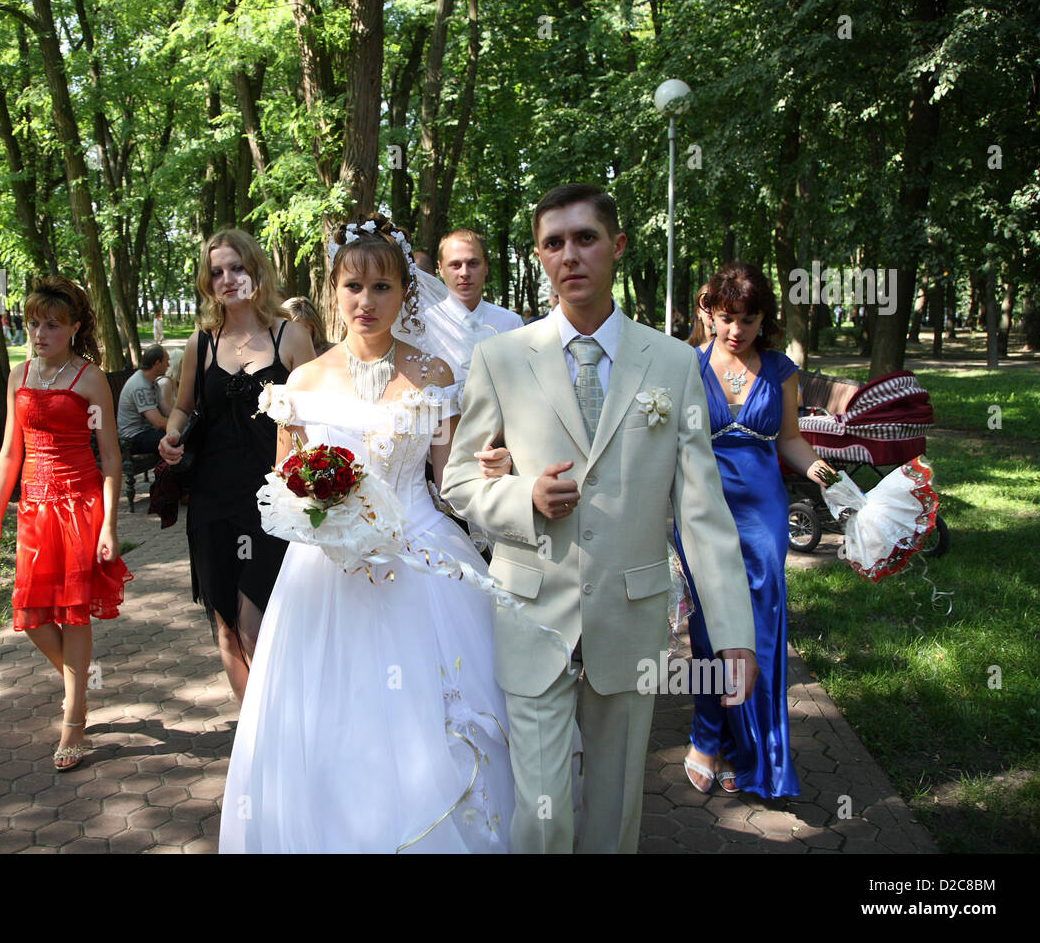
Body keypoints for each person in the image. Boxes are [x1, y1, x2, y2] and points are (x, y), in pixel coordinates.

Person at [441, 183, 756, 853]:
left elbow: (701, 511)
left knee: (614, 810)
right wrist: (521, 498)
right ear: (538, 257)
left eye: (585, 238)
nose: (570, 255)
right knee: (544, 814)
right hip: (531, 610)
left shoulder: (672, 362)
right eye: (554, 243)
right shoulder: (501, 358)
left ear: (615, 246)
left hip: (628, 613)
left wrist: (733, 632)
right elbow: (460, 480)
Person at [220, 214, 512, 853]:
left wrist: (495, 473)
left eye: (382, 287)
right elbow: (280, 481)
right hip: (325, 572)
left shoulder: (435, 375)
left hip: (422, 555)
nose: (367, 302)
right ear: (333, 290)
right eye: (353, 286)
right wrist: (317, 516)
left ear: (407, 292)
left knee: (445, 710)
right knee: (329, 717)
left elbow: (451, 478)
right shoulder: (300, 383)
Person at [678, 262, 834, 798]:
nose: (736, 330)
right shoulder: (686, 365)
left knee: (761, 626)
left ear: (763, 318)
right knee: (705, 626)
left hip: (763, 508)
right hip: (701, 504)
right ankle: (707, 735)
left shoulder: (780, 370)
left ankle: (756, 753)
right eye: (726, 318)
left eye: (748, 319)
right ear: (710, 313)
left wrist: (813, 466)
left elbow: (788, 438)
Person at [0, 277, 132, 771]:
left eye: (51, 324)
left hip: (80, 504)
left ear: (74, 328)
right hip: (34, 508)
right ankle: (79, 682)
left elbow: (110, 457)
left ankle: (75, 718)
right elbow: (9, 452)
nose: (40, 333)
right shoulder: (17, 375)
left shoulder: (90, 379)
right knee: (30, 613)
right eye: (33, 323)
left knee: (73, 612)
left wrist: (109, 524)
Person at [158, 229, 314, 703]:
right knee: (225, 622)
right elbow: (183, 407)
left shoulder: (289, 336)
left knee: (256, 621)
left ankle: (279, 729)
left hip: (270, 500)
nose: (228, 279)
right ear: (208, 282)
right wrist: (172, 433)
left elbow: (312, 422)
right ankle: (252, 745)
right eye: (217, 271)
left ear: (256, 270)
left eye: (237, 268)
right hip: (211, 499)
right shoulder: (200, 343)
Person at [417, 228, 523, 384]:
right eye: (455, 265)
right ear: (440, 269)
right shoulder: (425, 324)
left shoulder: (511, 323)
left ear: (486, 266)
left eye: (473, 263)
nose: (464, 273)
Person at [116, 345, 170, 455]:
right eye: (166, 361)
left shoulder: (151, 381)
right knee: (177, 439)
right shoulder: (140, 386)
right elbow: (158, 422)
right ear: (157, 363)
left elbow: (167, 410)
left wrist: (183, 420)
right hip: (133, 439)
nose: (168, 365)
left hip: (145, 432)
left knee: (183, 436)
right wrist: (179, 427)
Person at [155, 347, 184, 419]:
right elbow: (166, 413)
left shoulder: (176, 383)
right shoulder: (165, 383)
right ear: (176, 363)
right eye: (184, 362)